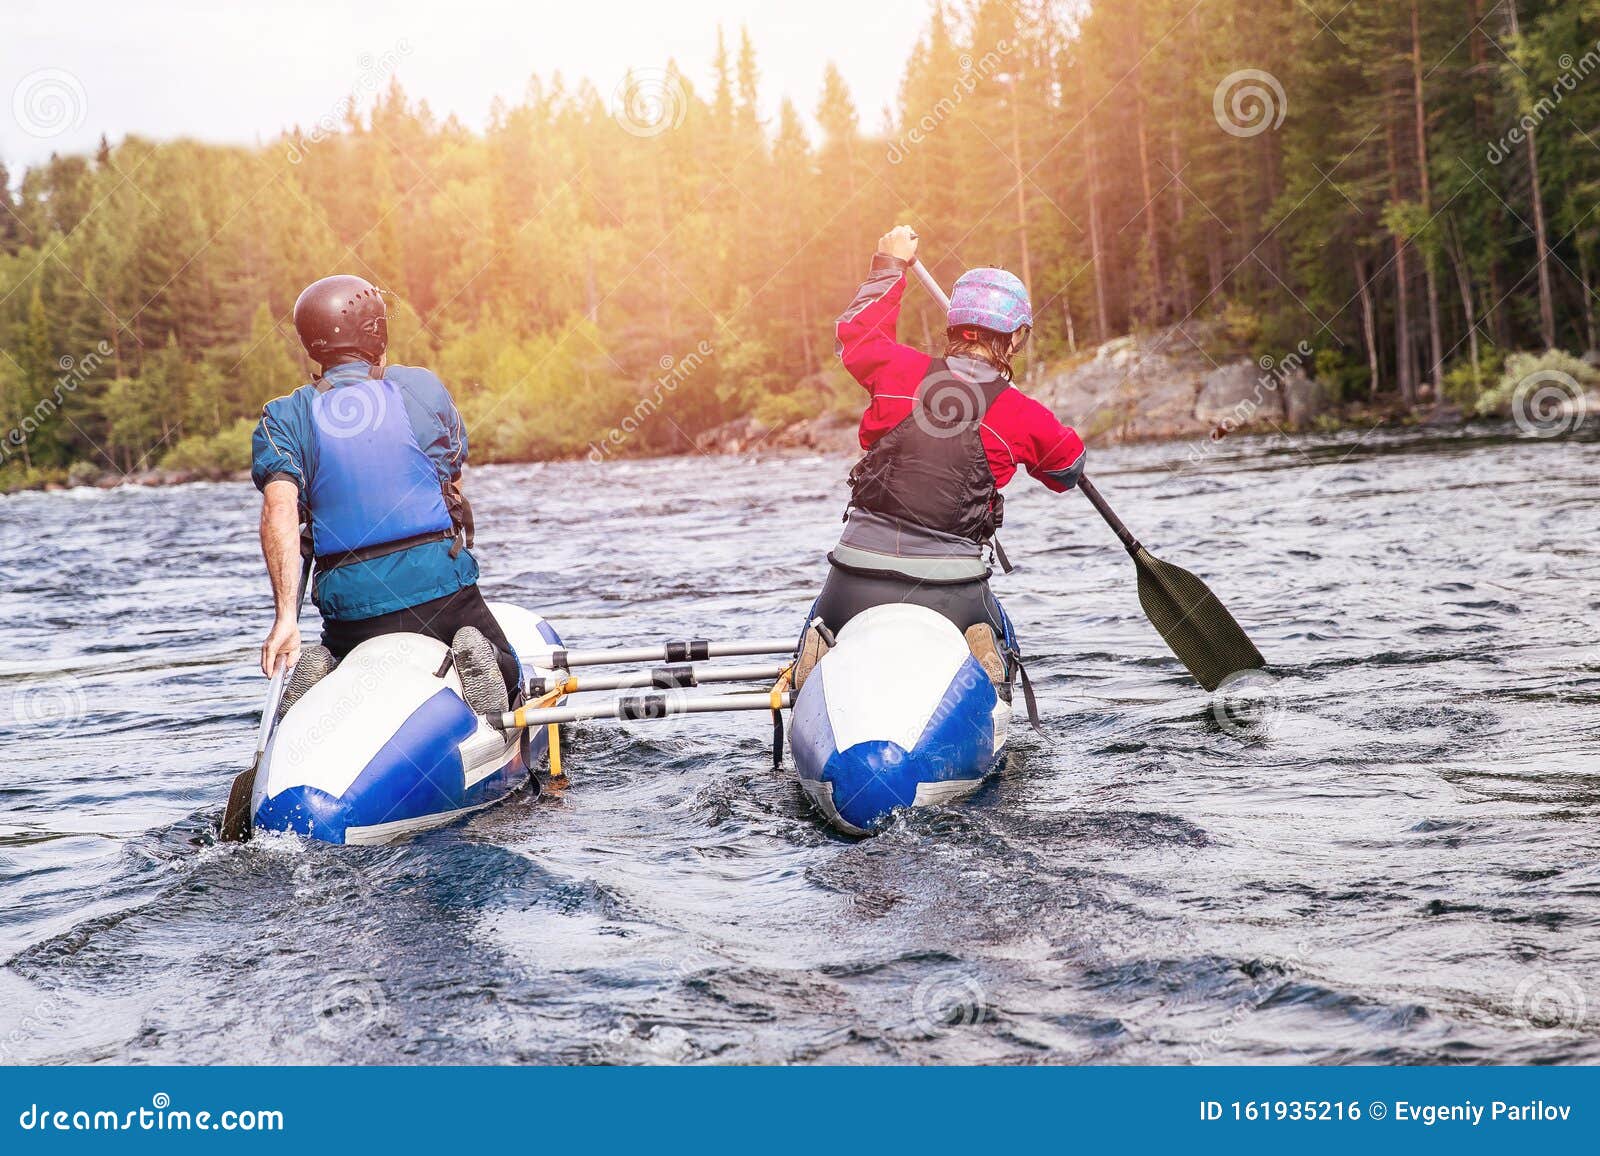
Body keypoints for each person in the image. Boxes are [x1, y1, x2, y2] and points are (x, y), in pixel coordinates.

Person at [797, 225, 1087, 696]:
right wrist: (1026, 420)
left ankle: (820, 642)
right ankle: (983, 641)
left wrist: (888, 264)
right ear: (1015, 341)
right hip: (953, 589)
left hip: (855, 576)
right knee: (999, 628)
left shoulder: (894, 370)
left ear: (953, 327)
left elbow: (856, 336)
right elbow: (1066, 469)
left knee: (818, 620)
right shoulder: (1024, 415)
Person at [251, 274, 519, 717]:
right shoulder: (421, 387)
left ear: (310, 344)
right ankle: (483, 661)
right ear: (376, 332)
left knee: (340, 648)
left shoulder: (284, 415)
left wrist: (285, 619)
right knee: (509, 669)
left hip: (352, 612)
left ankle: (330, 665)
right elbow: (451, 480)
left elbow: (278, 509)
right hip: (440, 594)